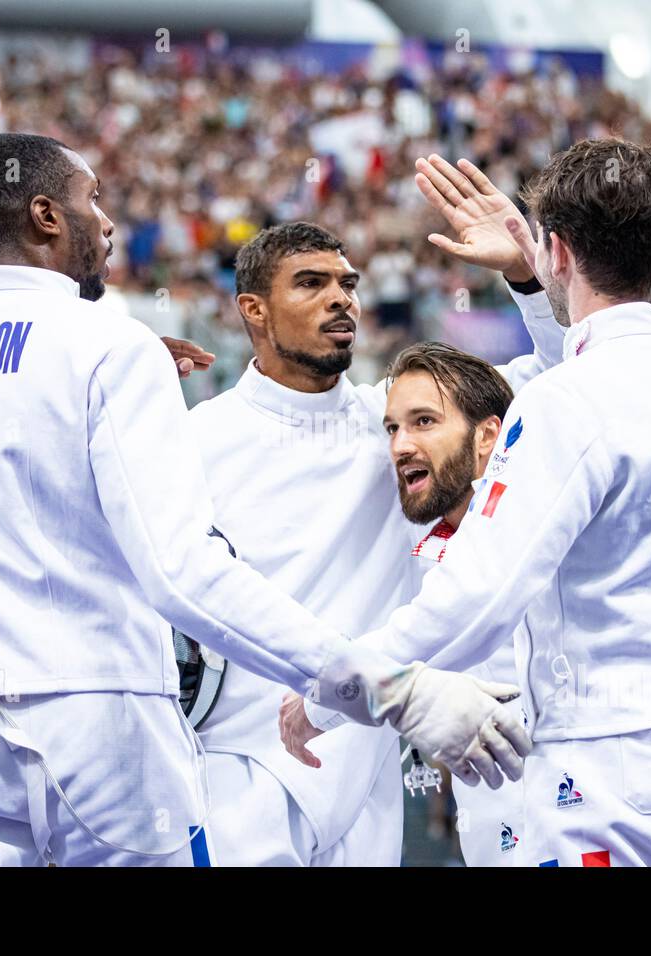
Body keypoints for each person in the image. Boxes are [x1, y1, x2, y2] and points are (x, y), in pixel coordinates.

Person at [0, 132, 530, 867]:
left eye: (347, 283)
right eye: (93, 200)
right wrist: (396, 691)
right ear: (46, 216)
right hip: (108, 731)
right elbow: (181, 577)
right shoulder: (113, 348)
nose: (108, 223)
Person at [284, 138, 651, 867]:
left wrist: (332, 690)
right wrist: (531, 275)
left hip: (611, 775)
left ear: (561, 250)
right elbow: (581, 372)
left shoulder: (571, 402)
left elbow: (475, 601)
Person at [190, 155, 565, 866]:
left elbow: (554, 380)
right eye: (312, 284)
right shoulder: (195, 441)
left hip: (364, 795)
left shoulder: (394, 425)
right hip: (235, 782)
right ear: (253, 310)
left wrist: (526, 280)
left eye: (348, 285)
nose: (343, 300)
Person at [383, 341, 531, 865]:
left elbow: (567, 361)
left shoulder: (538, 519)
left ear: (488, 435)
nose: (401, 444)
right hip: (490, 836)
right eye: (393, 428)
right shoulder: (417, 531)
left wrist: (526, 278)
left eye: (424, 421)